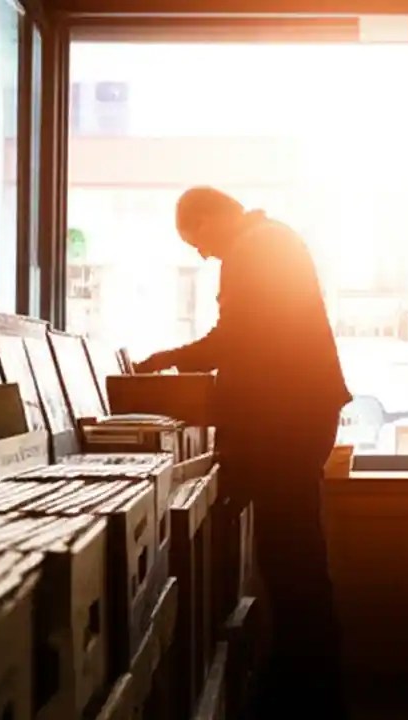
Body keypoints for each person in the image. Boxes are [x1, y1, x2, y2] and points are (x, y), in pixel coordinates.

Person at [134, 187, 350, 718]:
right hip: (297, 419)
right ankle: (309, 685)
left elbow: (237, 337)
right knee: (295, 555)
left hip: (288, 424)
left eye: (196, 240)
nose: (202, 254)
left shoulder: (254, 249)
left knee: (292, 558)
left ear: (209, 218)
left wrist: (167, 361)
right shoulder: (269, 240)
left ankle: (307, 693)